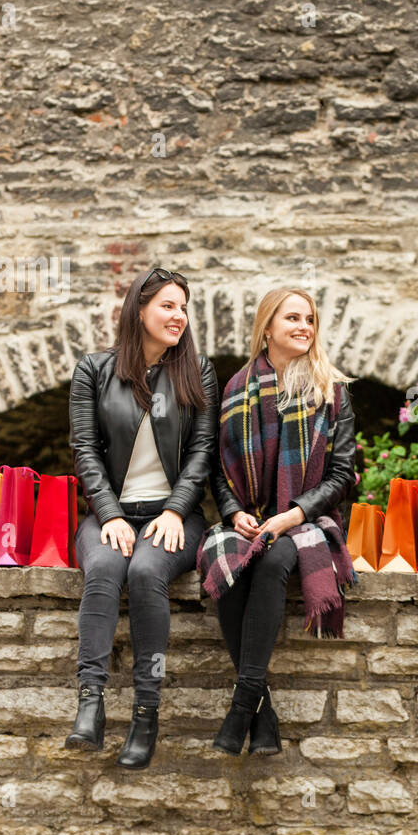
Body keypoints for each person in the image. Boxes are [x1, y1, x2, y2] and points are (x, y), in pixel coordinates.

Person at [65, 267, 220, 770]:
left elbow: (202, 452)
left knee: (146, 570)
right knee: (107, 569)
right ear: (140, 310)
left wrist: (176, 509)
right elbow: (85, 450)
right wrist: (108, 514)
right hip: (109, 515)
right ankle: (91, 703)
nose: (179, 317)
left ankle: (146, 712)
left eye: (183, 308)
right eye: (168, 306)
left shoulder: (199, 371)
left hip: (173, 517)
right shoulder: (93, 369)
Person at [198, 286, 359, 757]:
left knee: (269, 565)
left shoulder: (332, 391)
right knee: (226, 562)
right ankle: (261, 712)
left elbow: (342, 475)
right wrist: (235, 512)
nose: (304, 327)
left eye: (309, 319)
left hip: (309, 519)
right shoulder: (235, 390)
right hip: (251, 519)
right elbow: (218, 469)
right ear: (267, 327)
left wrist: (291, 516)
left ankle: (241, 703)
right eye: (292, 318)